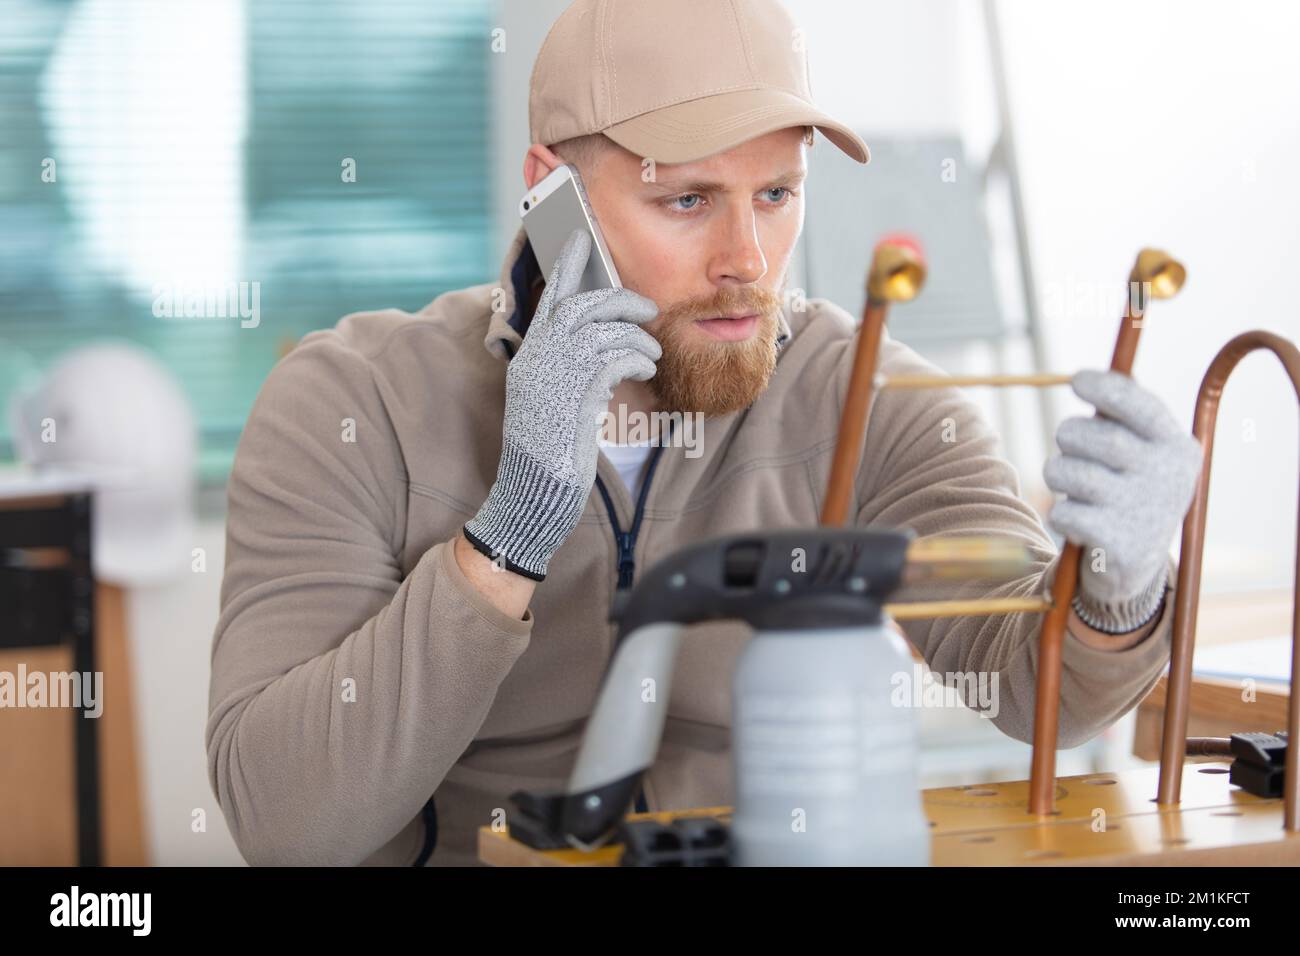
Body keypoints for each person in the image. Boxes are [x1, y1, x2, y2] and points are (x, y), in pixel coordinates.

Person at [206, 0, 1202, 866]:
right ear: (551, 195)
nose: (747, 261)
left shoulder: (863, 393)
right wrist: (507, 538)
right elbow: (287, 825)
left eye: (776, 194)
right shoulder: (354, 403)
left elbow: (1041, 697)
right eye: (686, 200)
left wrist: (1118, 591)